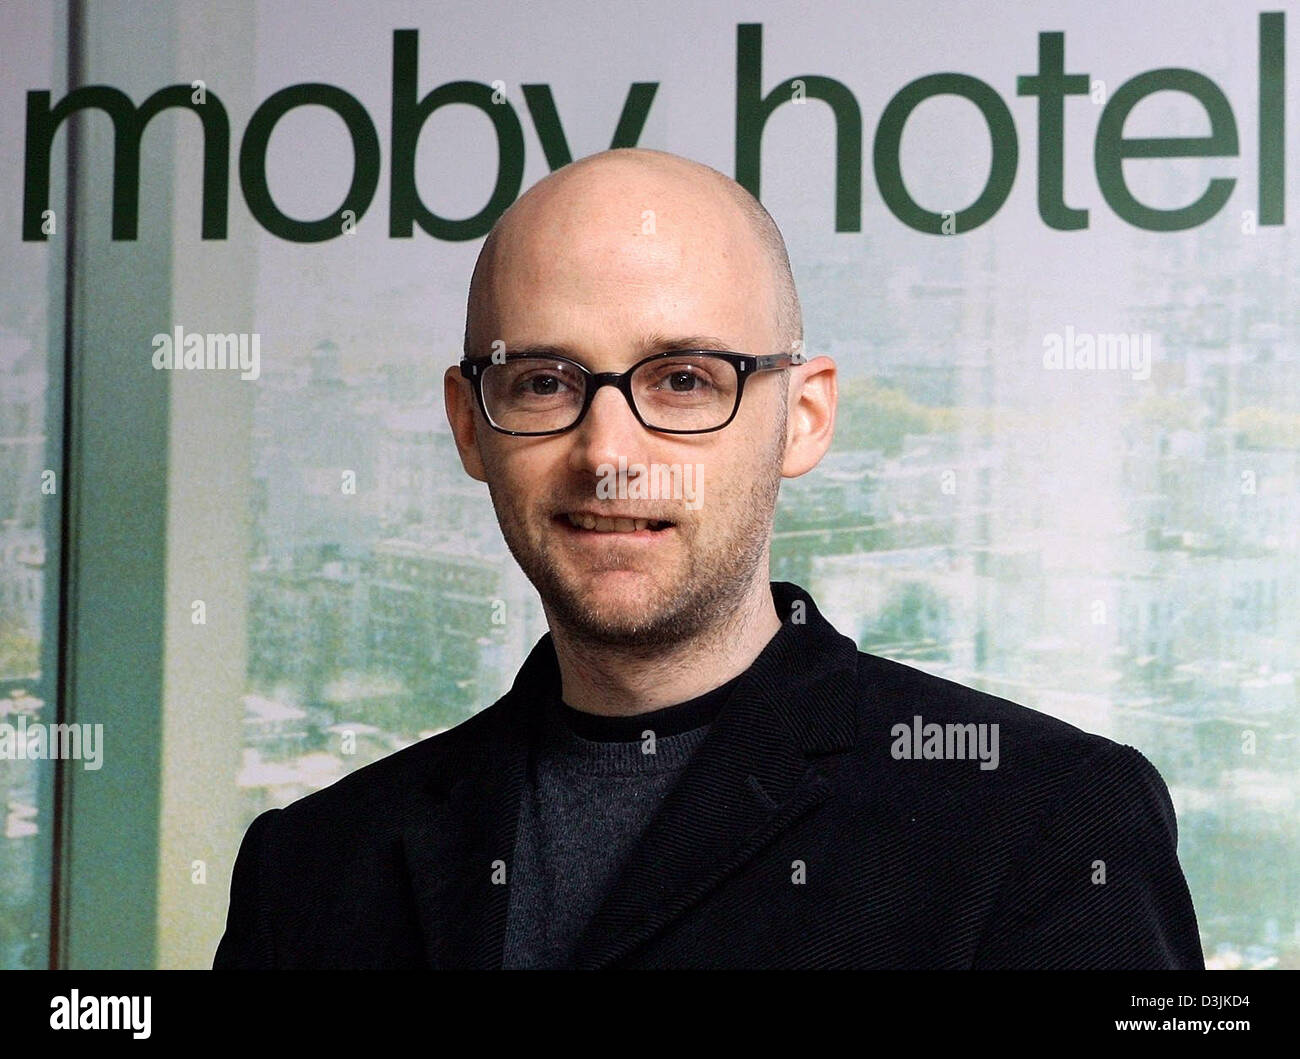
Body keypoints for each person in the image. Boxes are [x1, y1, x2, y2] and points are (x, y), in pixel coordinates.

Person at [213, 148, 1203, 969]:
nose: (607, 453)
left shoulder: (1047, 824)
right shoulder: (309, 867)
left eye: (684, 380)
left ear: (803, 418)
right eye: (545, 382)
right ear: (470, 427)